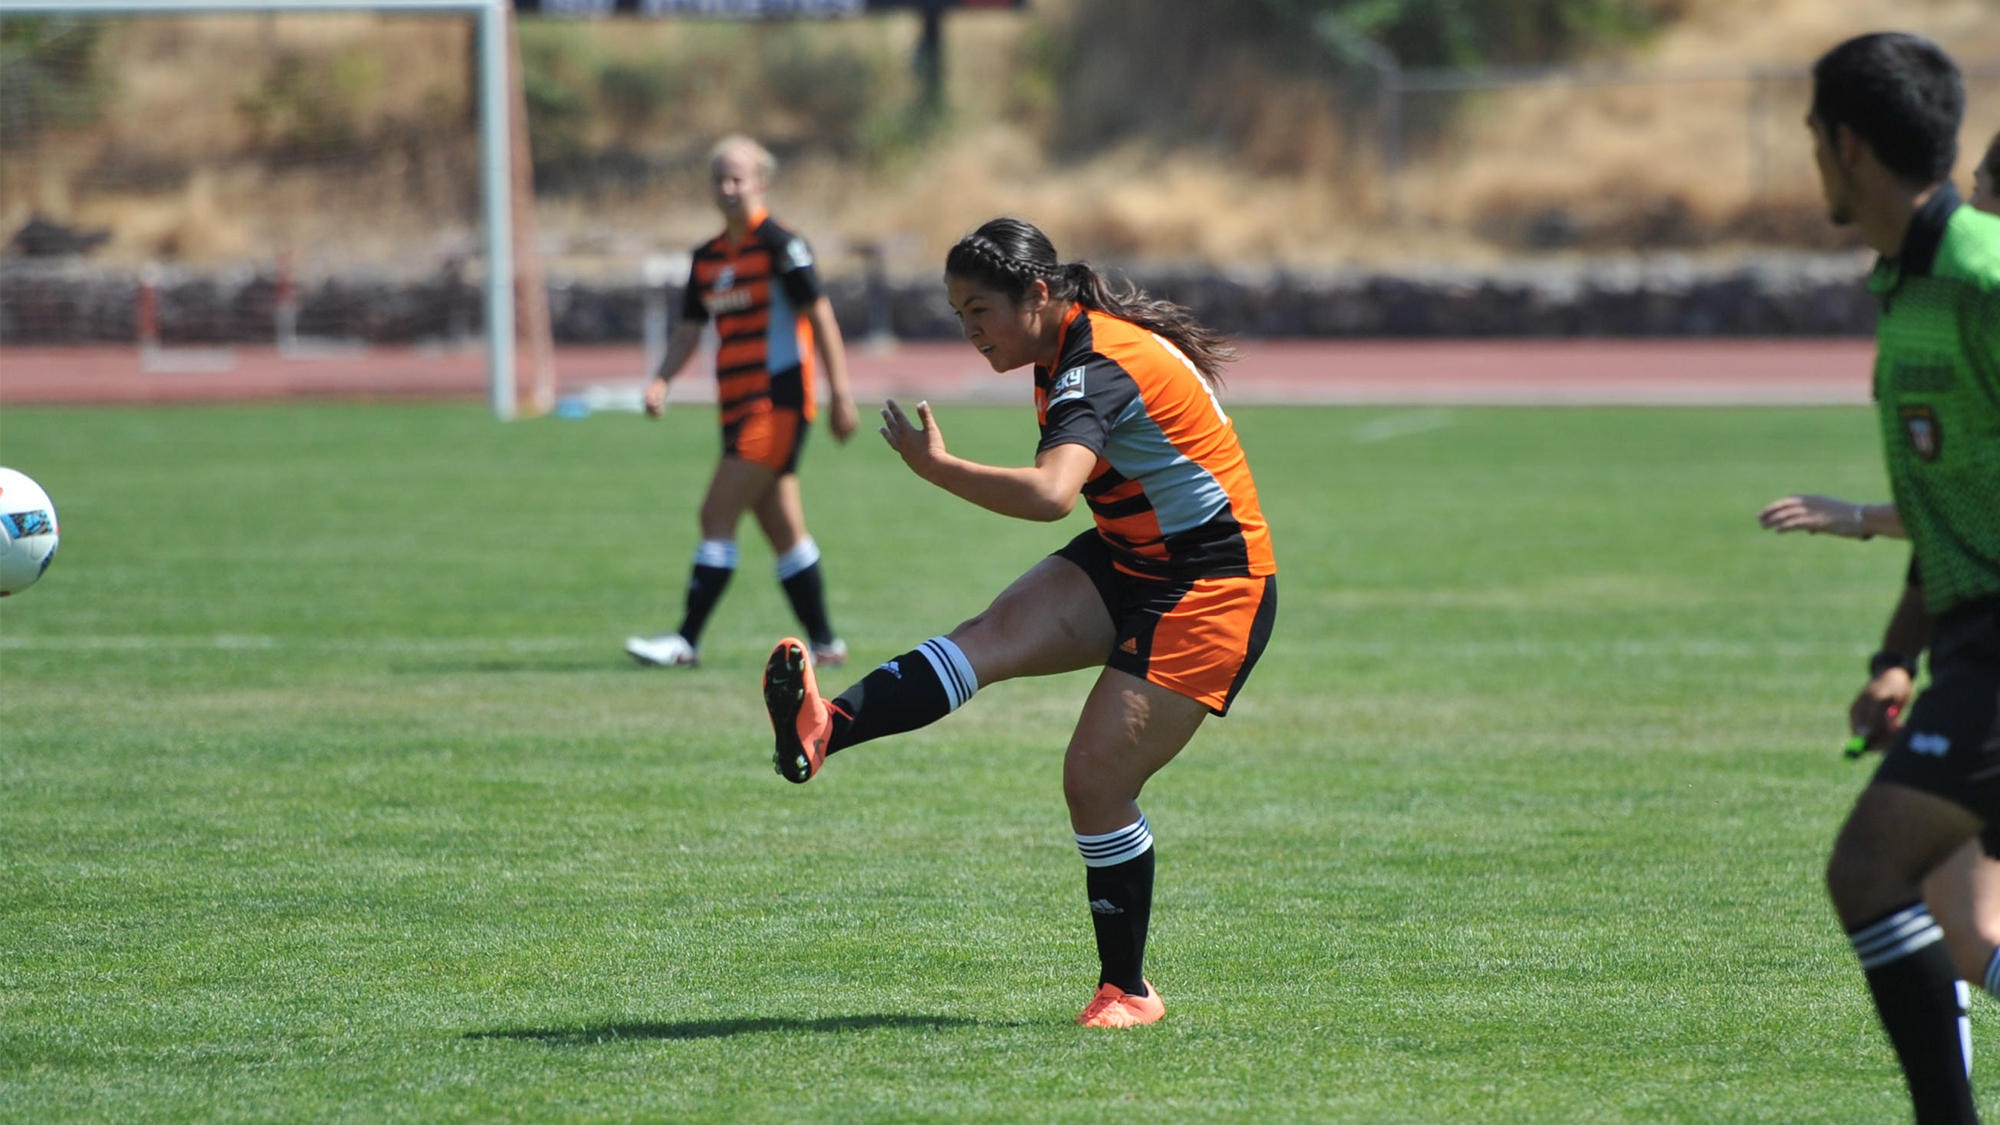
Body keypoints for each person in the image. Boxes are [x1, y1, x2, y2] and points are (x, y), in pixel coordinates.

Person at [759, 217, 1278, 1028]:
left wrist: (939, 469)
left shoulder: (1093, 362)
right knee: (986, 637)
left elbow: (1049, 494)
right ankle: (827, 725)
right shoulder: (1069, 344)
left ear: (1038, 294)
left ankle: (1130, 991)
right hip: (1132, 556)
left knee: (1094, 780)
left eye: (980, 311)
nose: (970, 332)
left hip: (1210, 585)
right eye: (959, 315)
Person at [1793, 34, 2000, 1125]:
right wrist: (1894, 655)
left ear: (1846, 144)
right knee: (1935, 904)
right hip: (1966, 637)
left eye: (1811, 140)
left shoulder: (1981, 277)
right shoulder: (1903, 286)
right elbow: (1949, 505)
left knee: (1871, 866)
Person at [625, 135, 860, 669]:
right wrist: (661, 380)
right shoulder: (707, 258)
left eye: (739, 178)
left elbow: (820, 317)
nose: (728, 188)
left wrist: (841, 395)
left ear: (761, 183)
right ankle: (826, 645)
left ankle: (685, 641)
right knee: (782, 530)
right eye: (720, 178)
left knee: (715, 513)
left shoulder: (781, 245)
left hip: (776, 403)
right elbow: (690, 330)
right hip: (733, 407)